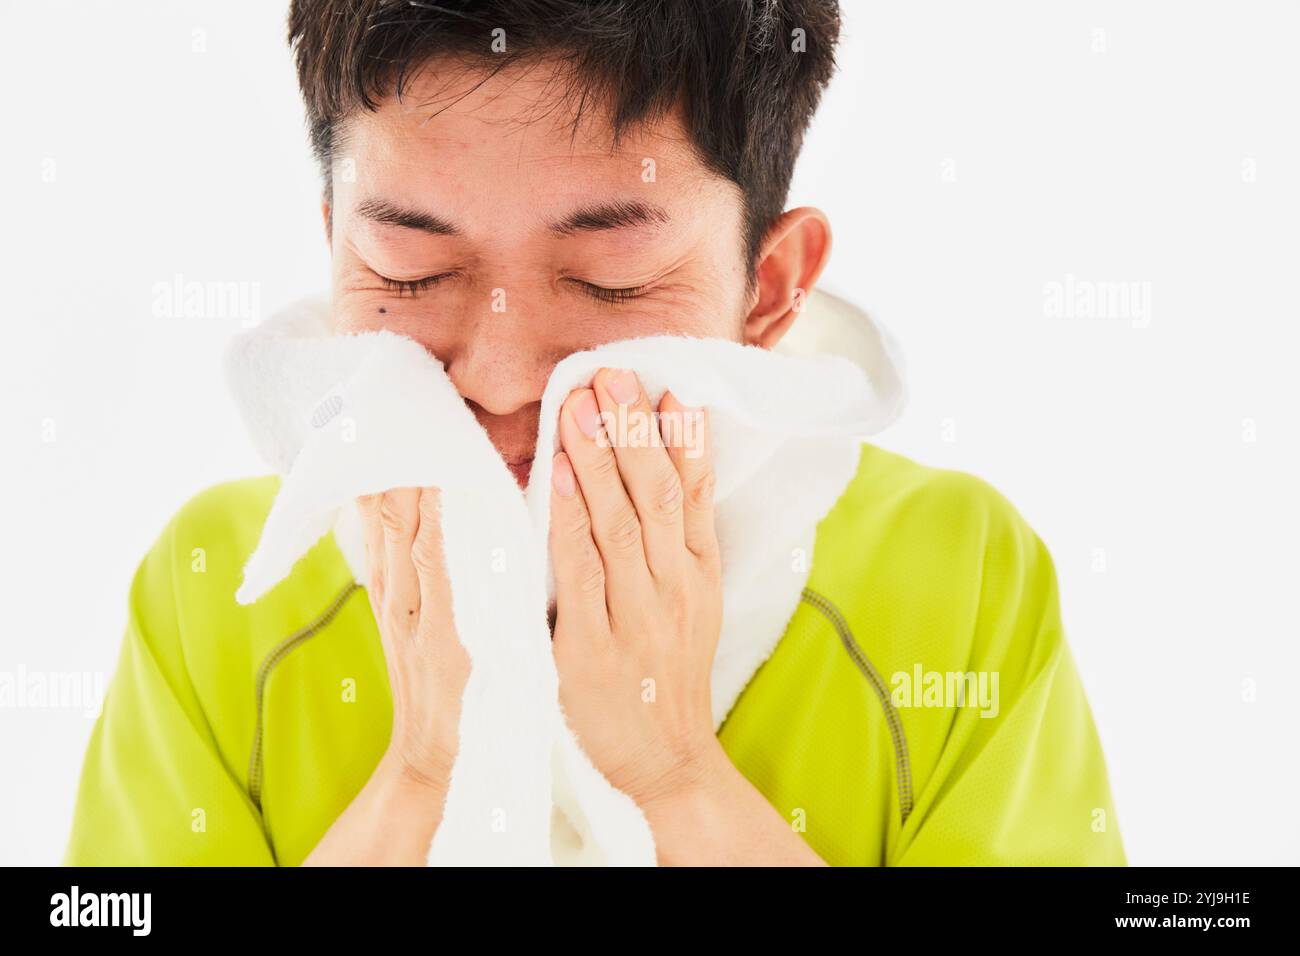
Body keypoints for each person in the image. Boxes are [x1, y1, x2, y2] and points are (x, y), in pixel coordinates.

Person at [64, 0, 1125, 866]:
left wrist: (675, 773)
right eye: (408, 270)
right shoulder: (220, 590)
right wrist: (426, 768)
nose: (503, 372)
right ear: (334, 246)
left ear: (770, 285)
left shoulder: (956, 579)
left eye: (605, 281)